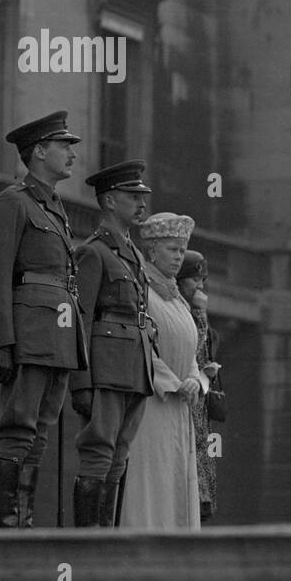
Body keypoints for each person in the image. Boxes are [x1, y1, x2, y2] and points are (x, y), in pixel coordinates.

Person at [0, 111, 88, 528]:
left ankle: (22, 524)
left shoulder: (53, 207)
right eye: (64, 146)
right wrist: (2, 342)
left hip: (55, 337)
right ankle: (5, 527)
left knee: (39, 434)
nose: (72, 155)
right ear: (39, 151)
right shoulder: (13, 202)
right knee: (18, 429)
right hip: (29, 335)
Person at [70, 160, 156, 527]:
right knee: (98, 454)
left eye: (142, 196)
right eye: (131, 196)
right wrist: (81, 383)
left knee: (119, 456)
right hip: (105, 370)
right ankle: (87, 543)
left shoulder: (133, 255)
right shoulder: (94, 252)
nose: (141, 203)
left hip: (135, 369)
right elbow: (80, 321)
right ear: (108, 201)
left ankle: (107, 540)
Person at [121, 213, 205, 529]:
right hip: (152, 402)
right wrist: (172, 382)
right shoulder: (143, 291)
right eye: (173, 249)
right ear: (153, 251)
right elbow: (140, 344)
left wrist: (195, 379)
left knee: (177, 481)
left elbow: (190, 349)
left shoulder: (178, 299)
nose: (179, 257)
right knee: (152, 482)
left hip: (180, 407)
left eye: (182, 250)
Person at [176, 250, 222, 523]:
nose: (200, 286)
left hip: (200, 405)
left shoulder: (199, 317)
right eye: (194, 279)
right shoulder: (181, 314)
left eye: (202, 279)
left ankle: (201, 509)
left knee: (202, 464)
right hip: (183, 399)